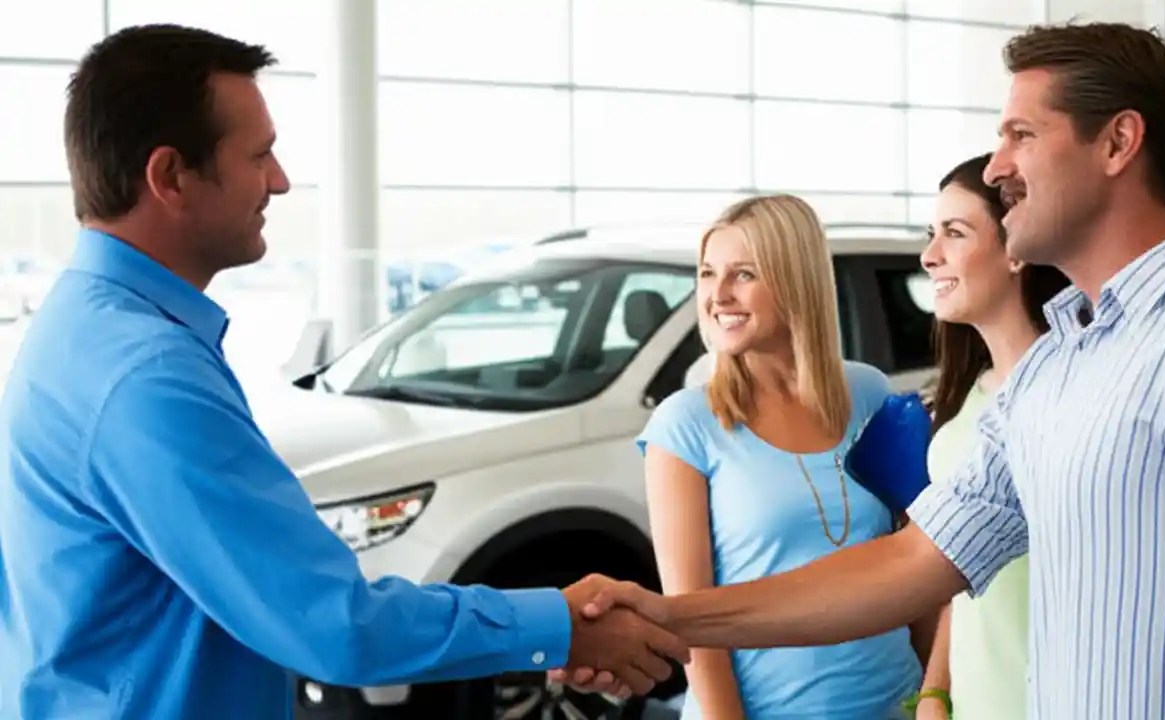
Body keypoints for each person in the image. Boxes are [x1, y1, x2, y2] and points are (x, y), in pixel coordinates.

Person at [558, 22, 1165, 720]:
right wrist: (667, 615)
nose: (997, 167)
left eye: (1021, 136)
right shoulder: (1061, 364)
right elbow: (915, 562)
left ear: (1119, 142)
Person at [0, 24, 685, 720]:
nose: (280, 180)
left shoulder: (79, 328)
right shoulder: (144, 376)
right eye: (259, 155)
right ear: (170, 176)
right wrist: (562, 624)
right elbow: (334, 623)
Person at [639, 194, 931, 718]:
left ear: (796, 280)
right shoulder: (685, 425)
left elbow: (921, 565)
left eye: (743, 274)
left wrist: (938, 694)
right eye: (708, 273)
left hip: (897, 701)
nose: (718, 295)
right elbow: (694, 624)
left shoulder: (869, 394)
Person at [910, 153, 1069, 720]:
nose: (930, 257)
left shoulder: (1069, 392)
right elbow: (959, 567)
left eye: (955, 233)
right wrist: (935, 692)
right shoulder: (966, 395)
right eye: (932, 235)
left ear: (1016, 249)